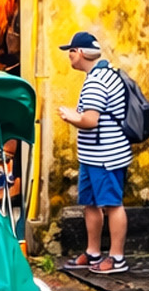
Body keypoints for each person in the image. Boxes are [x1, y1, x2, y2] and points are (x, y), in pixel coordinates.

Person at [55, 32, 131, 273]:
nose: (69, 56)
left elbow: (90, 120)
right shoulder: (103, 74)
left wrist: (70, 116)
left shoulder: (97, 81)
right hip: (92, 155)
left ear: (79, 52)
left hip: (105, 156)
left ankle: (117, 258)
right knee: (90, 203)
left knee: (112, 204)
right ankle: (93, 252)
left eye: (70, 51)